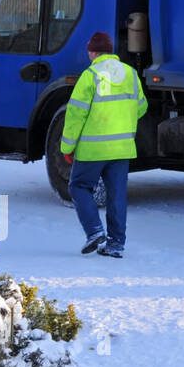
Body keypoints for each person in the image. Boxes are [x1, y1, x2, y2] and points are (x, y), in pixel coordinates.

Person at [61, 31, 146, 259]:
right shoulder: (130, 74)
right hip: (122, 147)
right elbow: (141, 107)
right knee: (117, 194)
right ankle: (116, 243)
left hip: (93, 148)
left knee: (79, 186)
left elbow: (75, 114)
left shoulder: (90, 75)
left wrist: (67, 146)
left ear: (93, 52)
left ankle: (95, 231)